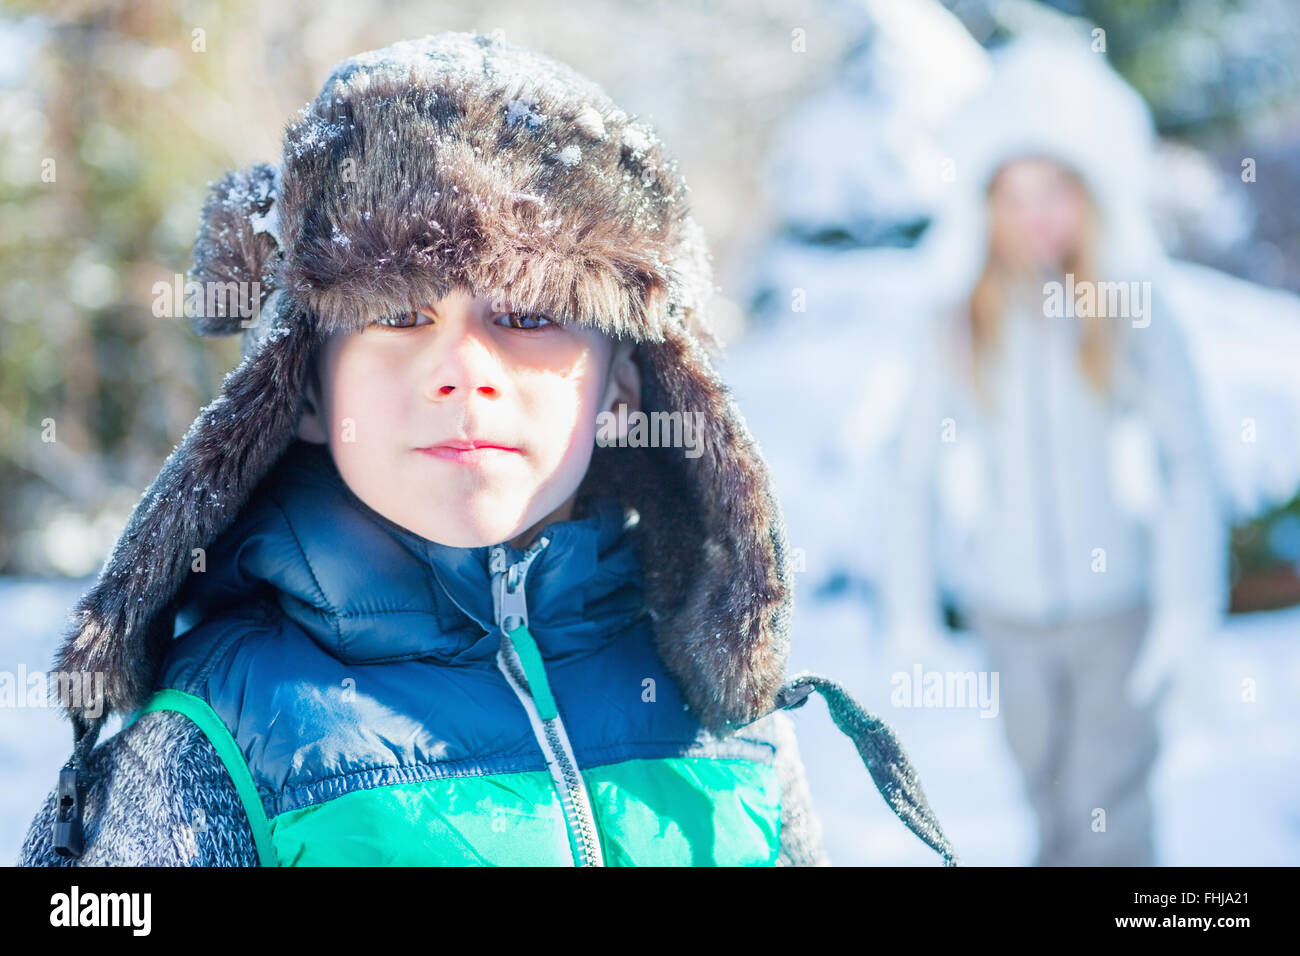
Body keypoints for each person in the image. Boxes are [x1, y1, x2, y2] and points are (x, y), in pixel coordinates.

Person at [20, 31, 956, 867]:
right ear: (302, 387)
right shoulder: (216, 742)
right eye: (396, 315)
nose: (465, 370)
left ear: (625, 385)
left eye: (530, 316)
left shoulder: (726, 720)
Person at [881, 36, 1228, 866]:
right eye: (1017, 193)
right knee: (1046, 806)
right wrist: (910, 606)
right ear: (987, 203)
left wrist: (1187, 608)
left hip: (1117, 610)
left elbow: (1190, 462)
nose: (1038, 214)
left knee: (1111, 806)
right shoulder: (958, 320)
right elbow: (909, 470)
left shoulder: (1130, 309)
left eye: (1057, 190)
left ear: (1089, 196)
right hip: (1010, 612)